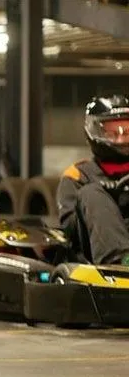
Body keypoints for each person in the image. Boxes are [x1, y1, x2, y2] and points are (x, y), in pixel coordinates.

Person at [58, 94, 129, 265]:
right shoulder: (78, 175)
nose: (120, 139)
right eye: (112, 133)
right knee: (91, 193)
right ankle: (119, 262)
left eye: (126, 132)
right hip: (96, 253)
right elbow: (70, 229)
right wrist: (112, 196)